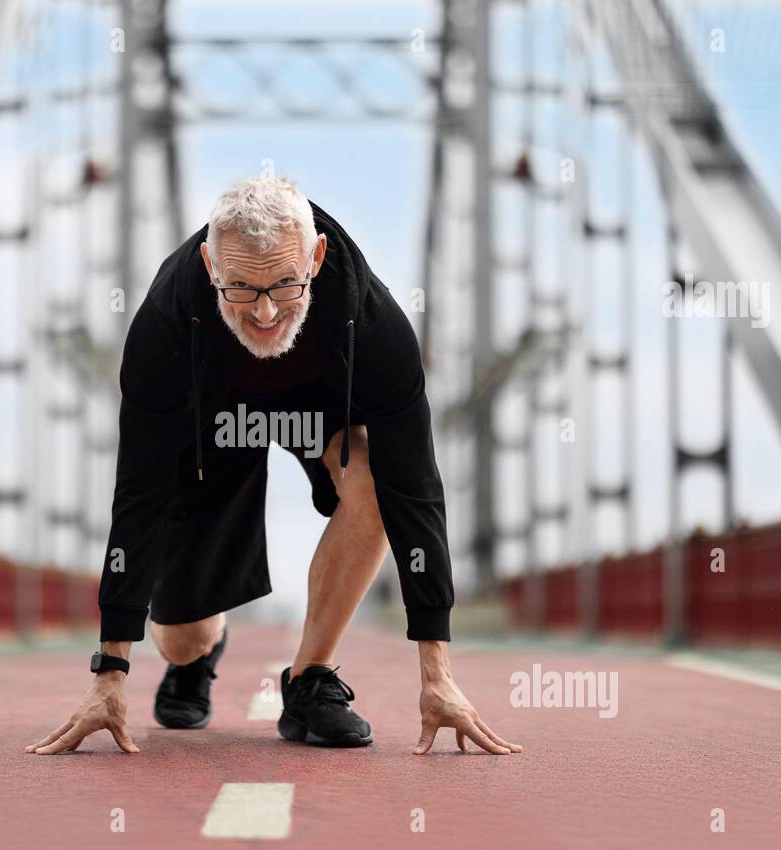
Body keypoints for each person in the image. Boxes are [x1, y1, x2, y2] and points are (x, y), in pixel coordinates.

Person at [27, 176, 521, 757]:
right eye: (240, 287)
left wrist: (436, 669)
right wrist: (110, 671)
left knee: (375, 478)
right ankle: (202, 647)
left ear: (316, 257)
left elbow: (414, 486)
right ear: (210, 265)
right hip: (211, 424)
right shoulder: (163, 326)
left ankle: (311, 679)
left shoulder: (375, 326)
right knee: (181, 639)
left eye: (285, 284)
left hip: (324, 417)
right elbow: (140, 492)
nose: (264, 312)